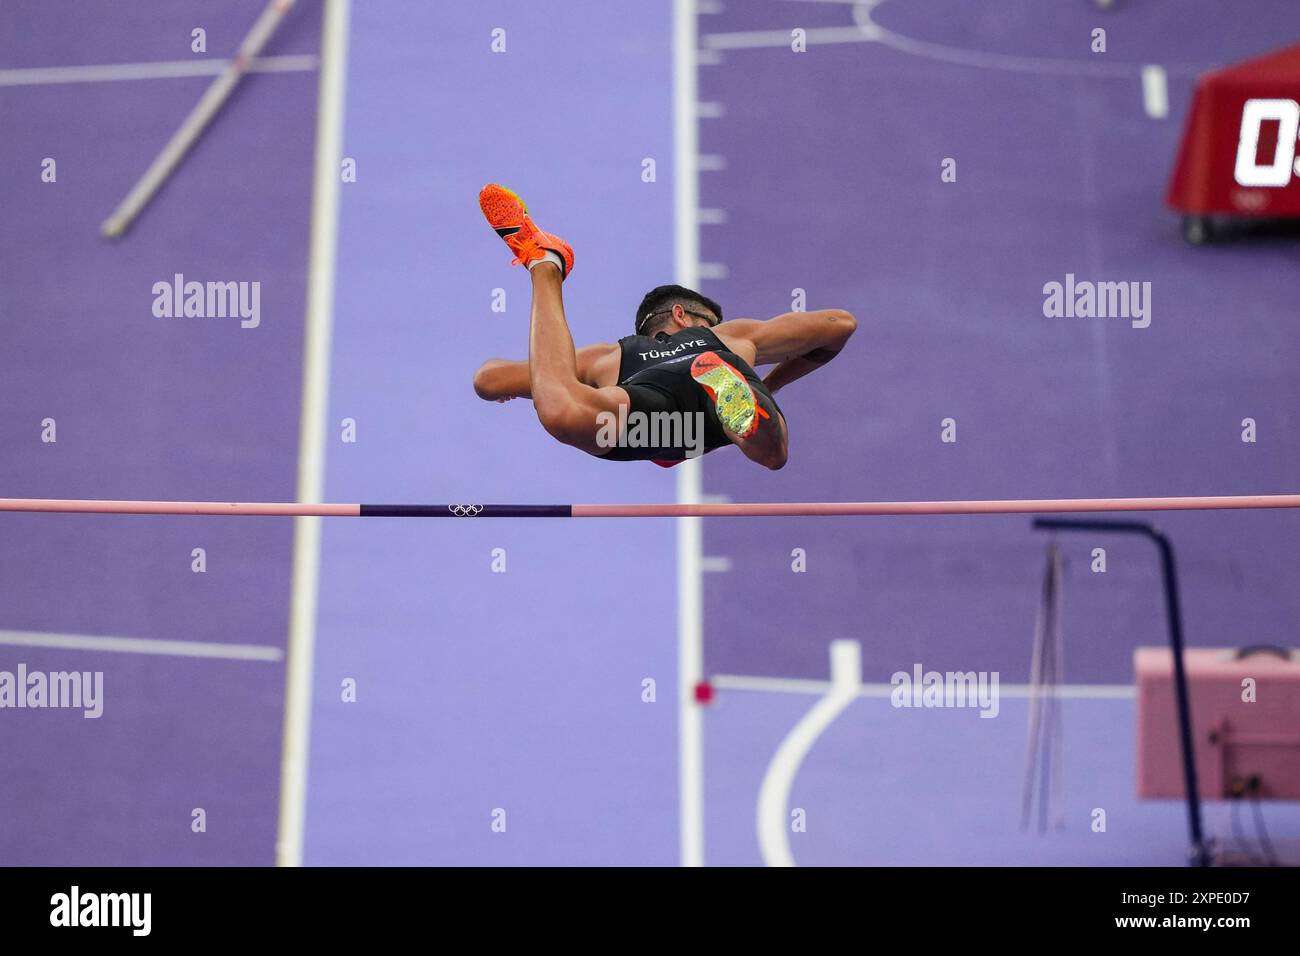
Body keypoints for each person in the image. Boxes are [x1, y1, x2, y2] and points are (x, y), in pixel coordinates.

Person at [473, 184, 856, 469]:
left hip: (656, 421)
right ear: (680, 315)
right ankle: (742, 413)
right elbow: (839, 326)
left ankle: (545, 265)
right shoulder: (731, 337)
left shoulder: (610, 358)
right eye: (709, 320)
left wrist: (538, 382)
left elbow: (488, 380)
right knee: (772, 455)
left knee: (561, 408)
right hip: (713, 385)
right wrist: (769, 384)